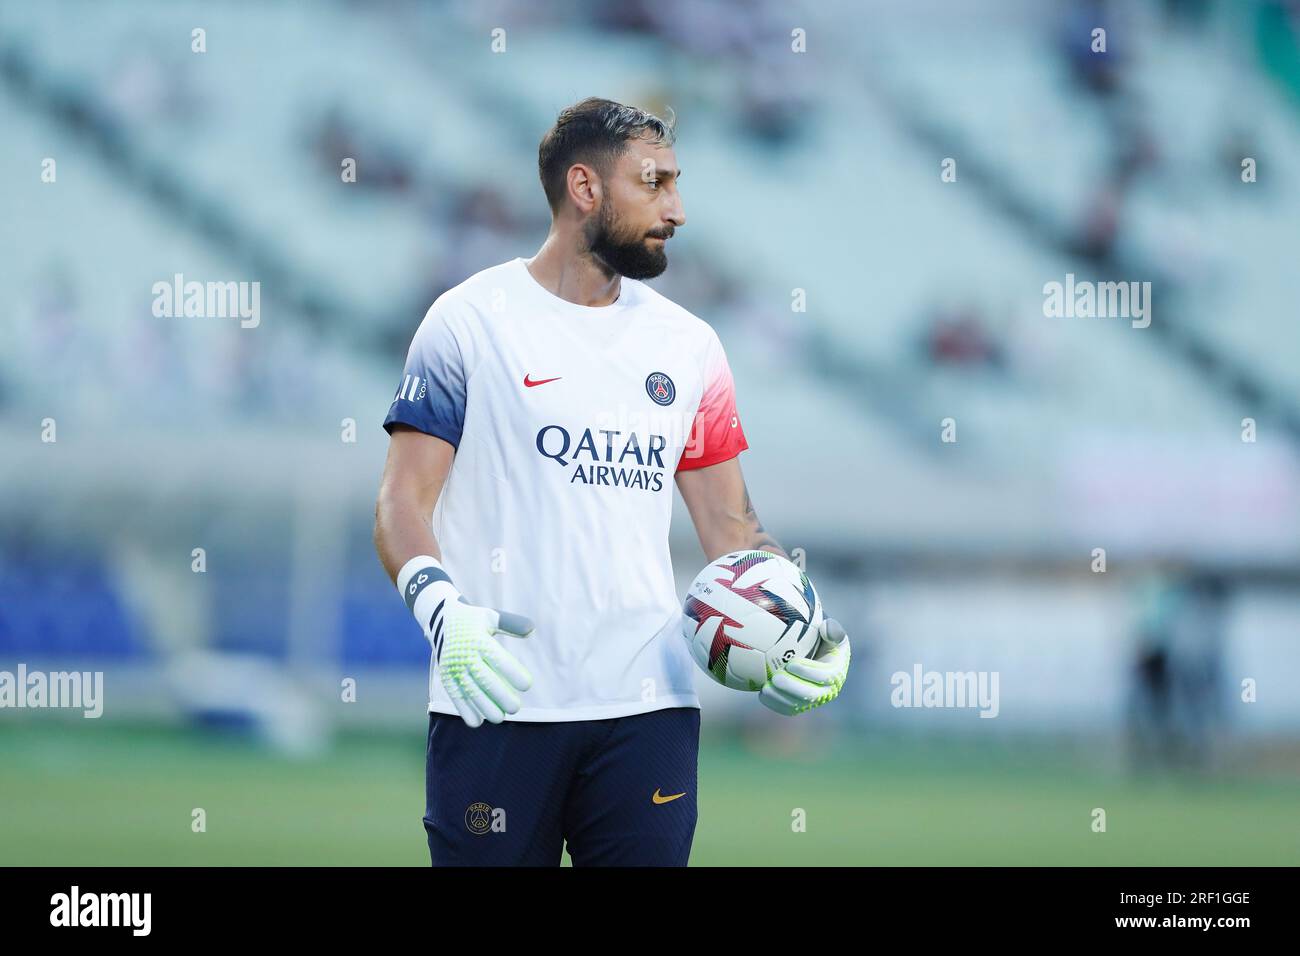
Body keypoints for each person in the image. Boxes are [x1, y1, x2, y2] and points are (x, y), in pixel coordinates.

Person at [373, 97, 851, 866]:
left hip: (648, 710)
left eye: (676, 183)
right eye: (654, 184)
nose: (679, 209)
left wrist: (808, 629)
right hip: (496, 701)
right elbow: (401, 502)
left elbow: (732, 530)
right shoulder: (467, 322)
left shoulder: (689, 345)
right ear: (585, 189)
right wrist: (441, 610)